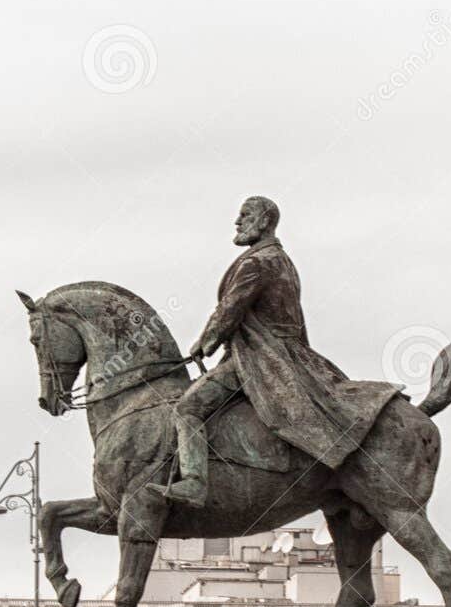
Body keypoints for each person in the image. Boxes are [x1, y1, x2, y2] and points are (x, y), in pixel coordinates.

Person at [149, 196, 397, 507]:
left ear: (264, 221)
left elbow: (230, 310)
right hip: (285, 355)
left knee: (188, 408)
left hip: (259, 358)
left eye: (244, 215)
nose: (237, 222)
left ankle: (195, 482)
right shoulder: (281, 260)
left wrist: (205, 343)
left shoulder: (258, 262)